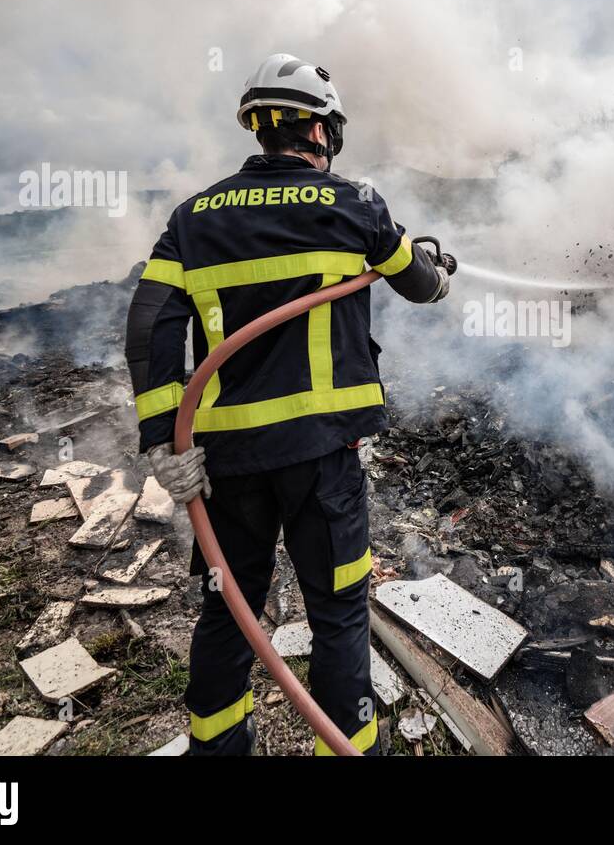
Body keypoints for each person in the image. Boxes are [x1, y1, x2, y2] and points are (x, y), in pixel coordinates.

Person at [125, 53, 453, 755]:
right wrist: (440, 272)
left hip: (225, 464)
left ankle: (218, 747)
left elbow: (151, 321)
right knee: (336, 612)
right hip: (321, 461)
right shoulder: (353, 203)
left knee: (228, 610)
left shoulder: (193, 218)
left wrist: (162, 437)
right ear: (321, 131)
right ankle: (347, 745)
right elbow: (419, 285)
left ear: (262, 130)